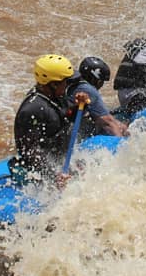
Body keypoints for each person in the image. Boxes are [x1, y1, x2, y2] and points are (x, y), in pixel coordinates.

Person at [8, 54, 90, 188]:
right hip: (40, 171)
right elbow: (29, 152)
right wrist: (54, 176)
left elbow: (66, 116)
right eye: (65, 82)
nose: (67, 85)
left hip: (59, 159)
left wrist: (80, 105)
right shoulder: (31, 110)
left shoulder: (56, 96)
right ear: (53, 84)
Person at [68, 56, 129, 138]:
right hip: (78, 135)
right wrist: (122, 142)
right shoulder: (89, 90)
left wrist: (120, 125)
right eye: (101, 82)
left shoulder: (72, 84)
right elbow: (108, 122)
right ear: (97, 81)